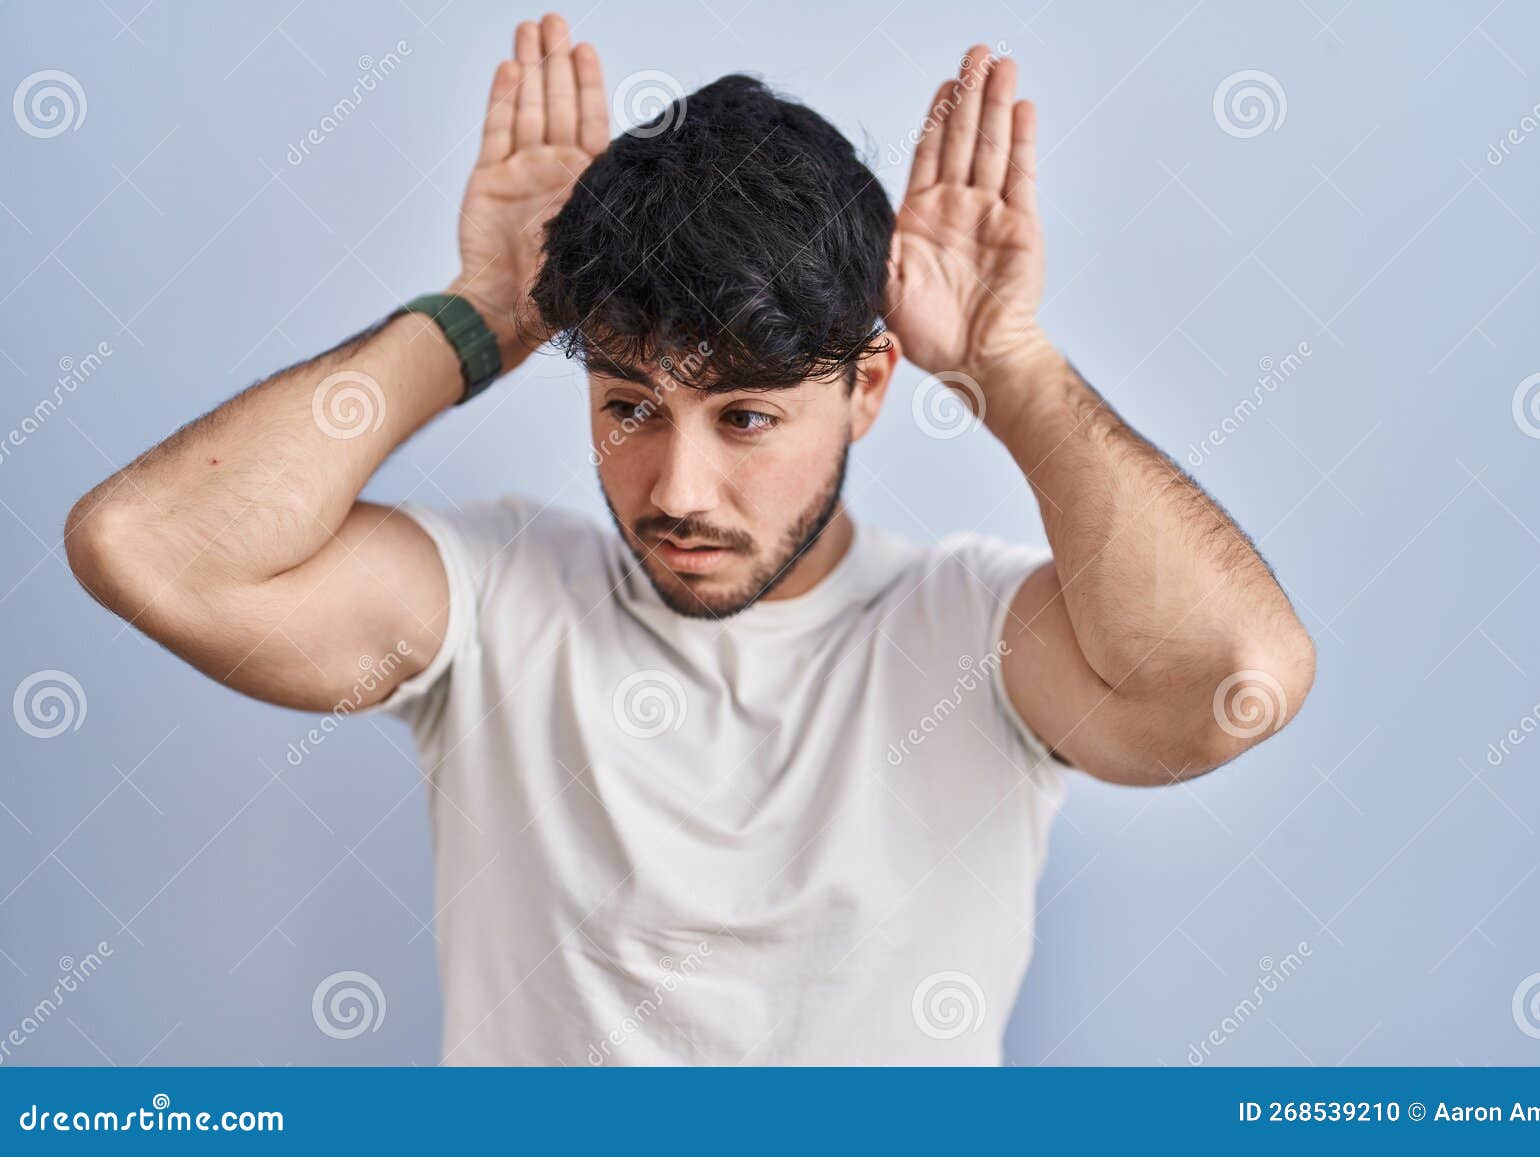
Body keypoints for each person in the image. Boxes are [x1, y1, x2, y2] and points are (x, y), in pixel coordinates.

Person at [63, 14, 1315, 1064]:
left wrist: (1010, 364)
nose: (677, 486)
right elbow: (145, 548)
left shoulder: (976, 637)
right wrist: (484, 312)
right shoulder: (494, 598)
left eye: (748, 415)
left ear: (869, 388)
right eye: (627, 406)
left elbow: (1230, 681)